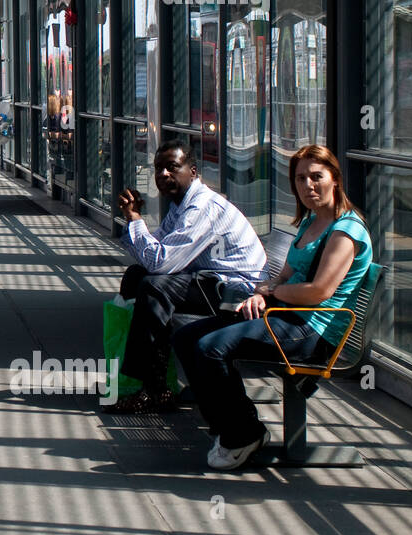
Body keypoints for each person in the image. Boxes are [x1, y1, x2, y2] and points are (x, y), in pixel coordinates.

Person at [172, 145, 373, 470]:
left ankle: (242, 434)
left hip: (313, 331)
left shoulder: (345, 232)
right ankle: (230, 426)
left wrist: (272, 292)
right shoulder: (312, 222)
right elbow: (285, 275)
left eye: (316, 177)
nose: (308, 185)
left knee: (211, 349)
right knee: (187, 337)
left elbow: (319, 291)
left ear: (334, 179)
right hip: (287, 315)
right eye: (300, 178)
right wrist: (262, 295)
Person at [105, 140, 267, 414]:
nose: (163, 175)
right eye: (158, 169)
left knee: (155, 287)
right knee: (138, 276)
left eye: (172, 168)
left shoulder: (200, 208)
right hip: (211, 282)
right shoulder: (180, 205)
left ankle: (152, 388)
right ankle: (151, 382)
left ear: (192, 171)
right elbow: (151, 253)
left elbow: (160, 262)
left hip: (237, 293)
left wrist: (135, 219)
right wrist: (133, 218)